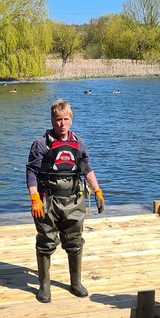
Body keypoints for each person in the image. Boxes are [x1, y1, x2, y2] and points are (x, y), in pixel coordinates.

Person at [26, 99, 105, 303]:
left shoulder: (79, 143)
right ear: (52, 120)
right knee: (46, 242)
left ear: (71, 120)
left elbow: (86, 168)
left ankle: (75, 282)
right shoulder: (40, 144)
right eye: (58, 119)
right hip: (47, 200)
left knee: (75, 242)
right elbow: (32, 172)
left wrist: (97, 190)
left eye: (66, 119)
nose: (62, 123)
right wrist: (34, 197)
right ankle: (44, 286)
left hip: (73, 199)